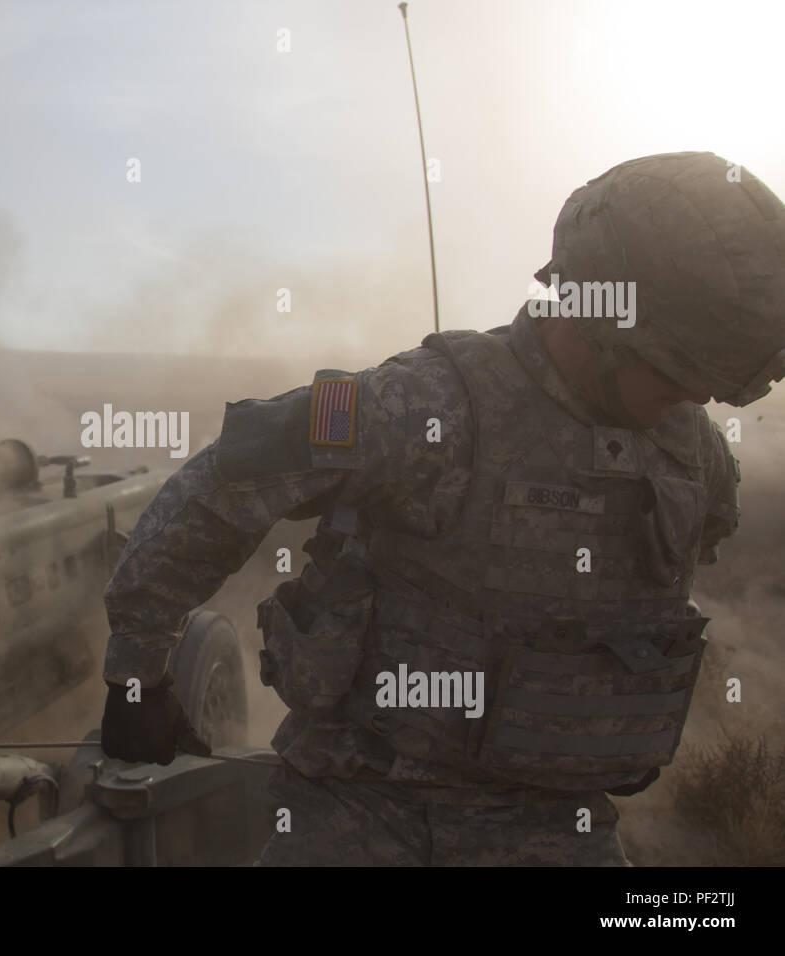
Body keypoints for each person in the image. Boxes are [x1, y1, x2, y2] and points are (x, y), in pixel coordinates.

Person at [98, 151, 785, 865]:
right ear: (602, 321)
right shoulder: (428, 406)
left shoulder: (689, 449)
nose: (697, 401)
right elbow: (228, 477)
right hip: (367, 812)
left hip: (560, 823)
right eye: (680, 374)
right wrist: (139, 673)